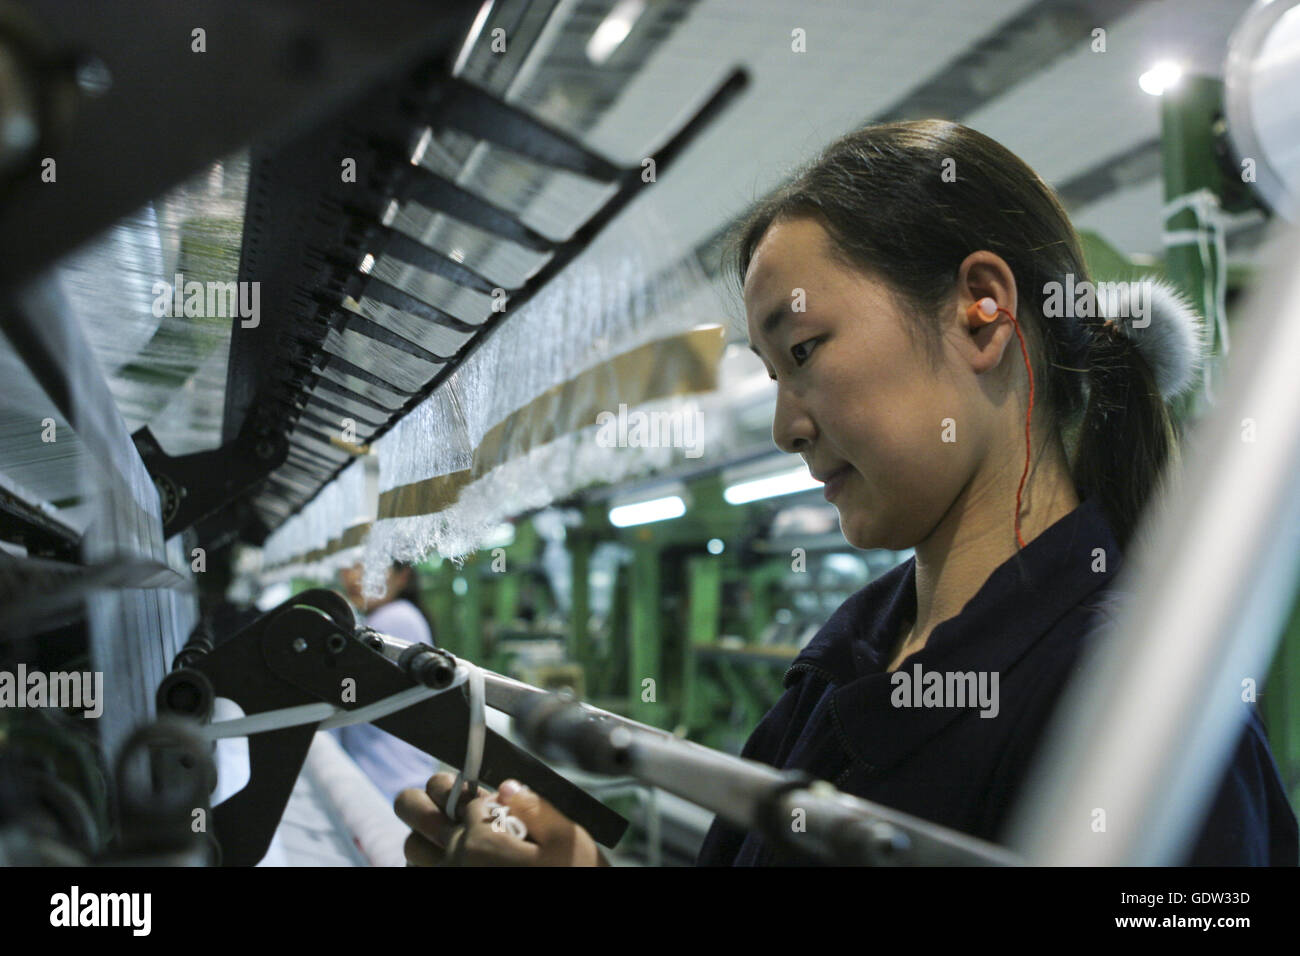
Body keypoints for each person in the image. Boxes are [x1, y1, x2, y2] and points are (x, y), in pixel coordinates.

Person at [393, 120, 1299, 866]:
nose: (789, 424)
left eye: (804, 352)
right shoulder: (851, 663)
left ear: (981, 310)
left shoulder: (1137, 710)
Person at [335, 561, 440, 804]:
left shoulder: (395, 618)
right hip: (393, 779)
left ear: (402, 576)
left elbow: (345, 694)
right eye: (348, 567)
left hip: (391, 783)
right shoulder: (393, 616)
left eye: (366, 565)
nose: (353, 577)